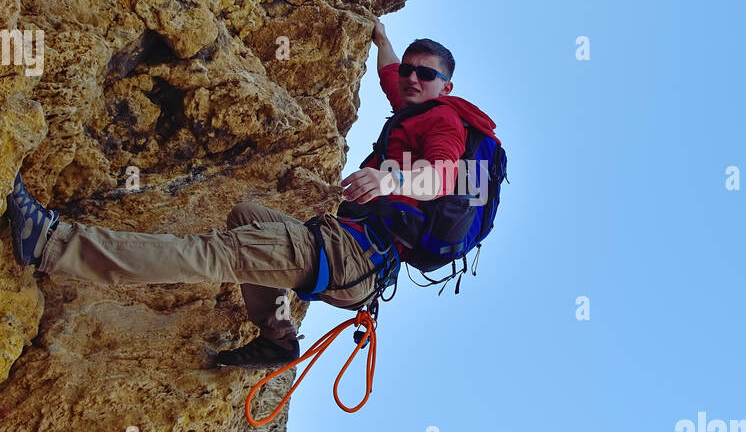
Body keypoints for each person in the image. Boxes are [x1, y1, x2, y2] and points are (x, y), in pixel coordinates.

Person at [5, 20, 493, 368]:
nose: (411, 78)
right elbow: (391, 75)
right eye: (408, 70)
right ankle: (278, 337)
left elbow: (443, 174)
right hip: (353, 259)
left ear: (446, 86)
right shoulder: (412, 105)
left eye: (425, 74)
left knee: (209, 254)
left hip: (351, 254)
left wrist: (391, 181)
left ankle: (50, 244)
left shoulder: (442, 120)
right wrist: (382, 39)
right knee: (246, 215)